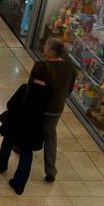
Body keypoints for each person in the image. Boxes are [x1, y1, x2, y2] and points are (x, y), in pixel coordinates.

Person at [0, 61, 53, 195]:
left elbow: (10, 104)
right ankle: (19, 184)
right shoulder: (49, 92)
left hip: (17, 124)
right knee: (26, 154)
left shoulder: (25, 88)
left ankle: (1, 163)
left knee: (8, 141)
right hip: (34, 128)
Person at [41, 37, 76, 184]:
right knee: (50, 136)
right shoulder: (70, 67)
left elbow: (34, 88)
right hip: (57, 108)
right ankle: (50, 170)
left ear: (51, 51)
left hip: (42, 107)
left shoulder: (43, 66)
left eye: (46, 47)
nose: (44, 48)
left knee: (30, 131)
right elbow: (70, 88)